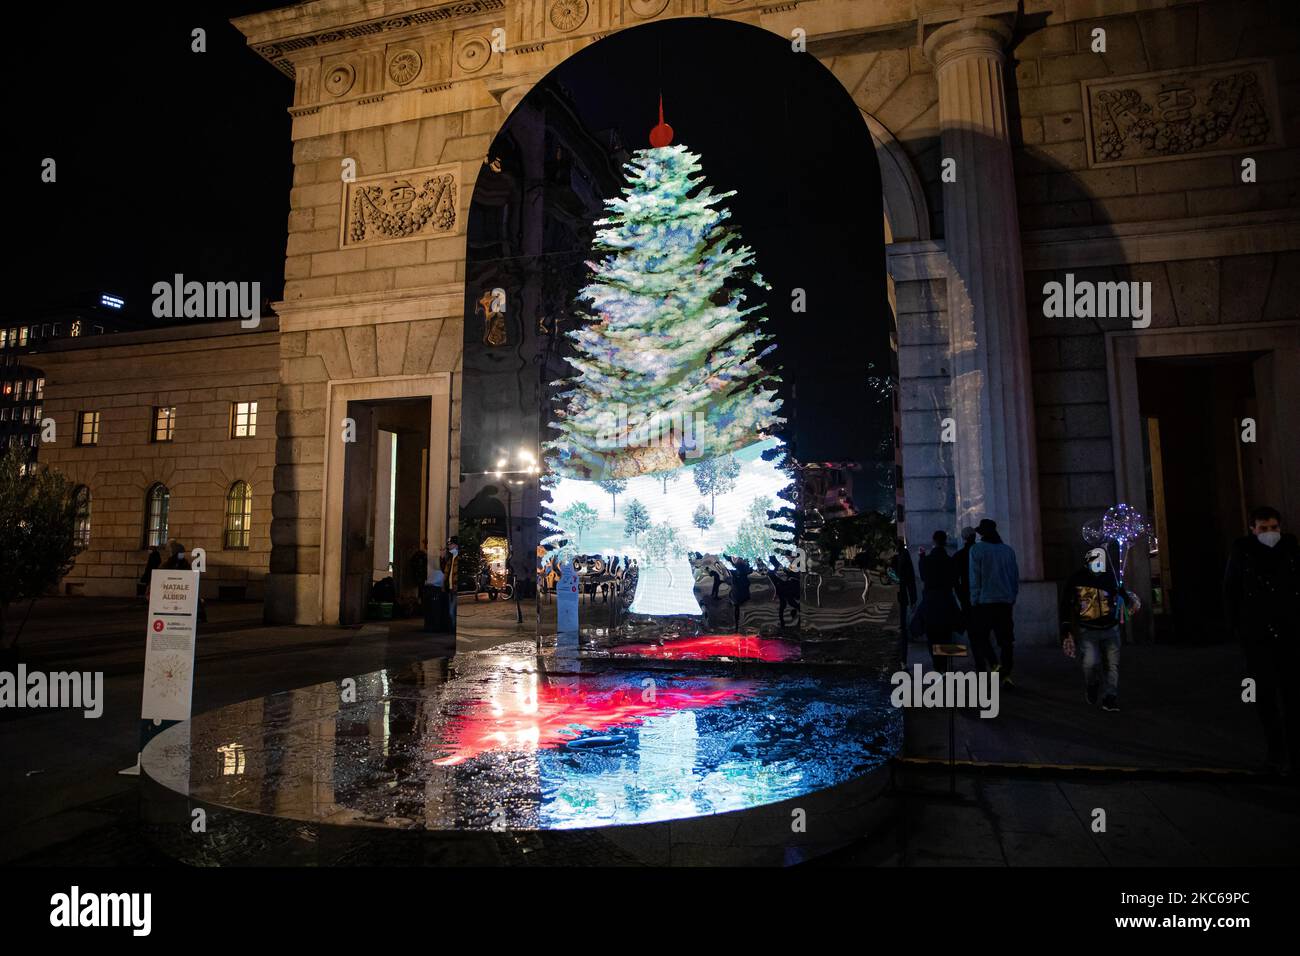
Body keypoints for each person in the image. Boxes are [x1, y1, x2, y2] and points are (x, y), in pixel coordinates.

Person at [1224, 505, 1300, 774]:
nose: (1270, 533)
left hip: (1289, 633)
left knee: (1292, 697)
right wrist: (1239, 628)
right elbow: (1232, 590)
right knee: (1265, 697)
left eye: (1274, 528)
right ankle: (1276, 752)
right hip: (1257, 636)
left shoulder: (1290, 551)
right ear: (1253, 529)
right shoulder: (1243, 553)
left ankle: (1290, 753)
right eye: (1264, 528)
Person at [1061, 546, 1140, 712]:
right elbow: (1066, 603)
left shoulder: (1110, 577)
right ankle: (1092, 684)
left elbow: (1123, 599)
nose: (1098, 564)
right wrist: (1066, 626)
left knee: (1112, 665)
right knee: (1089, 663)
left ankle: (1110, 698)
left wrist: (1123, 596)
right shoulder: (1077, 579)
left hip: (1111, 628)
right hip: (1088, 629)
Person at [968, 518, 1019, 684]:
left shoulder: (977, 550)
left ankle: (995, 665)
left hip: (985, 601)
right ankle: (1006, 674)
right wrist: (1012, 597)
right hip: (1005, 601)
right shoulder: (1008, 551)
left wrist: (974, 599)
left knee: (980, 636)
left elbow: (975, 577)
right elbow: (1014, 577)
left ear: (981, 533)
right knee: (1006, 641)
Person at [917, 531, 962, 667]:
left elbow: (924, 577)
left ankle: (939, 665)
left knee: (932, 635)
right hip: (946, 599)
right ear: (945, 541)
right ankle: (946, 663)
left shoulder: (927, 560)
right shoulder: (950, 560)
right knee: (946, 634)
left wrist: (922, 557)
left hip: (931, 601)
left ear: (934, 541)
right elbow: (954, 581)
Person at [892, 538, 917, 670]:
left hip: (899, 596)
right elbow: (910, 578)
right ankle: (902, 661)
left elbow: (908, 578)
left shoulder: (902, 555)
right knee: (901, 629)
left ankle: (902, 661)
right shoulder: (902, 555)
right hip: (900, 596)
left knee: (901, 630)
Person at [952, 526, 977, 622]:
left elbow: (955, 579)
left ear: (963, 538)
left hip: (966, 592)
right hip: (982, 594)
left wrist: (960, 595)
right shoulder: (982, 552)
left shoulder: (959, 555)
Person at [725, 555, 752, 629]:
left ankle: (737, 625)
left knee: (737, 606)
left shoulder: (742, 569)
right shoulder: (741, 569)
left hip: (740, 590)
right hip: (740, 590)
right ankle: (737, 625)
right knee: (737, 607)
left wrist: (729, 559)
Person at [439, 538, 459, 628]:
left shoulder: (457, 557)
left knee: (452, 611)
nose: (449, 546)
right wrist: (442, 558)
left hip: (455, 589)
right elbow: (445, 571)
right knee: (451, 611)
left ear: (456, 545)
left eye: (451, 544)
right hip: (450, 589)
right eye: (448, 545)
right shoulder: (451, 558)